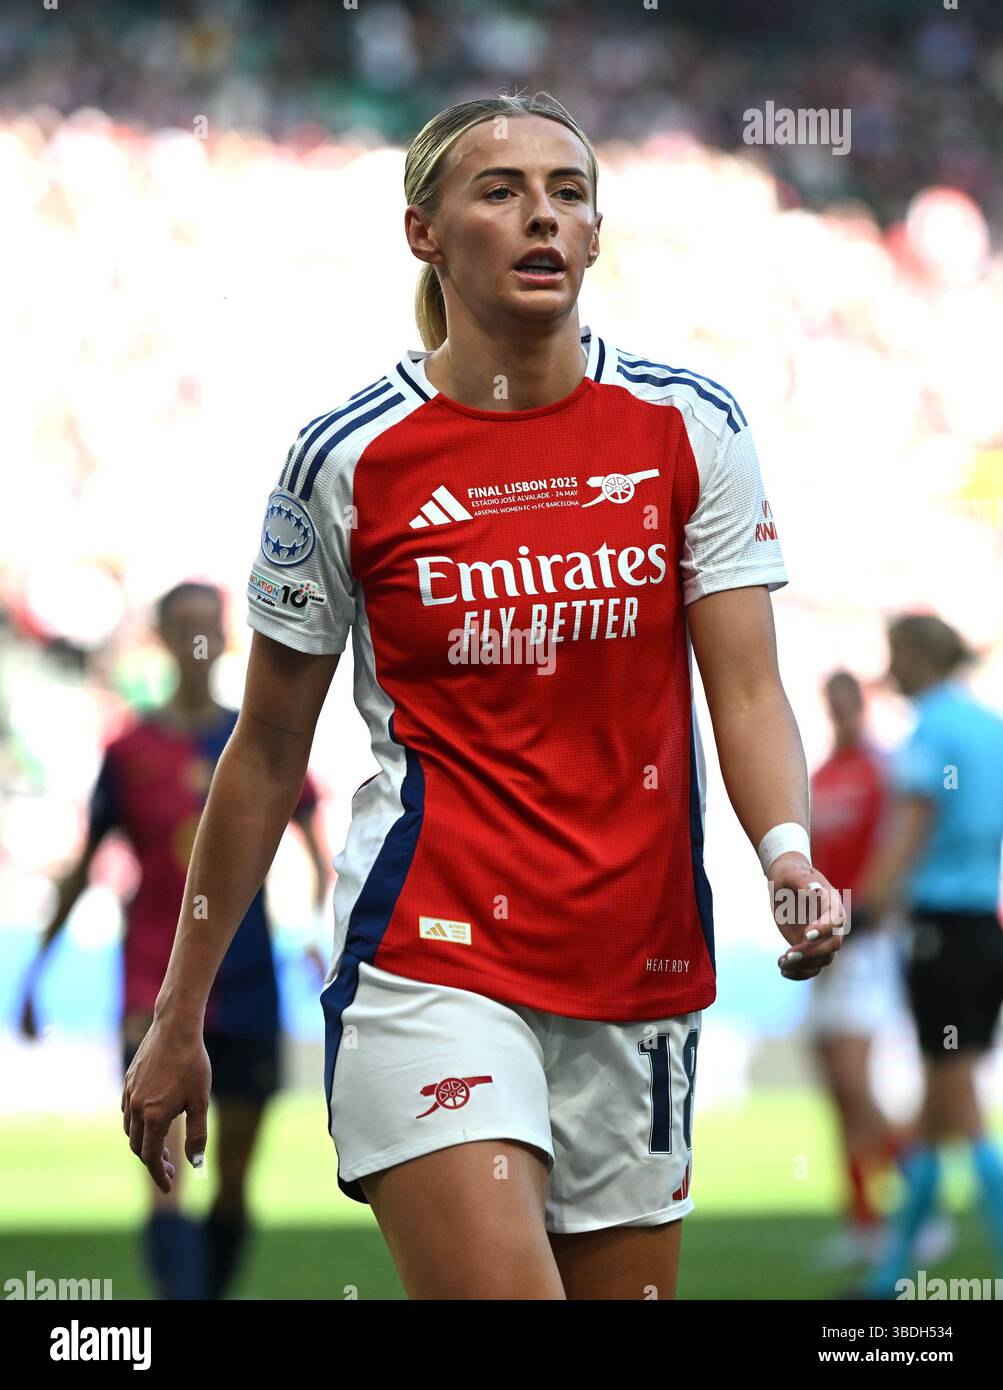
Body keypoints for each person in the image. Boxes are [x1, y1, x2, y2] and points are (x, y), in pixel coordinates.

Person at [121, 90, 846, 1301]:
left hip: (642, 960)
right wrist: (177, 1009)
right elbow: (260, 754)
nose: (542, 219)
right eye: (500, 192)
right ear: (423, 231)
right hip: (432, 957)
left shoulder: (690, 424)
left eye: (567, 193)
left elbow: (748, 687)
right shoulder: (345, 458)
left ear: (598, 233)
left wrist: (783, 849)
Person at [20, 580, 330, 1299]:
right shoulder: (129, 750)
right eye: (181, 627)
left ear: (225, 638)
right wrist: (39, 966)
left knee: (233, 1183)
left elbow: (313, 846)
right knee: (163, 1175)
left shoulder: (256, 740)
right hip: (150, 983)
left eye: (207, 627)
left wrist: (317, 928)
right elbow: (83, 866)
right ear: (160, 640)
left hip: (248, 976)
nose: (197, 643)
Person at [853, 614, 1003, 1298]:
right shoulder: (989, 727)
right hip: (982, 930)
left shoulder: (929, 732)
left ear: (915, 656)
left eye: (894, 657)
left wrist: (864, 909)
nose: (891, 671)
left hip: (936, 932)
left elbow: (912, 826)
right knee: (944, 1104)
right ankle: (889, 1275)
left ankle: (890, 1277)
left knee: (955, 1104)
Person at [805, 671, 941, 1267]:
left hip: (870, 942)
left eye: (848, 701)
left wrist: (864, 922)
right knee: (836, 1088)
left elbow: (899, 853)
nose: (841, 711)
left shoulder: (883, 772)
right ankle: (864, 1221)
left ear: (861, 703)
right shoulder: (821, 777)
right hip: (826, 945)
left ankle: (923, 1211)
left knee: (856, 1082)